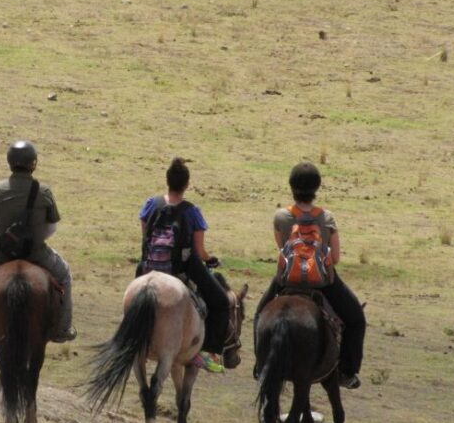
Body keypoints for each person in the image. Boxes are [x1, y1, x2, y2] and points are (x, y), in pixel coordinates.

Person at [254, 161, 366, 389]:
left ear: (291, 186)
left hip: (287, 280)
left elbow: (281, 246)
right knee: (356, 320)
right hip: (322, 283)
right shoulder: (326, 218)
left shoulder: (281, 217)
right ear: (317, 188)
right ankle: (347, 372)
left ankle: (261, 364)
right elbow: (334, 258)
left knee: (259, 315)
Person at [0, 141, 77, 344]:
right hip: (36, 252)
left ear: (9, 162)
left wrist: (3, 236)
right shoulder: (44, 191)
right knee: (64, 275)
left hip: (2, 252)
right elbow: (52, 228)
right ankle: (63, 328)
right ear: (34, 164)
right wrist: (36, 240)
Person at [138, 157, 233, 374]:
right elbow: (200, 252)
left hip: (149, 265)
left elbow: (145, 234)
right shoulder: (192, 211)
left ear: (167, 181)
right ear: (187, 184)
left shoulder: (151, 204)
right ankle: (208, 353)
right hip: (181, 268)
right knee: (221, 302)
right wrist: (210, 259)